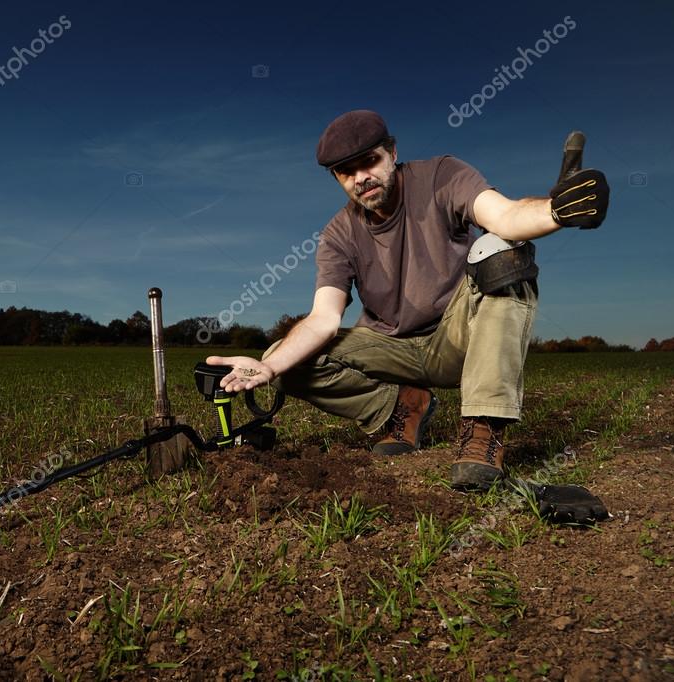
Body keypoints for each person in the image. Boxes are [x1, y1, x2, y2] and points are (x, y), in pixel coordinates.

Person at [207, 109, 609, 490]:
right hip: (394, 351)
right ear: (336, 178)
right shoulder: (337, 236)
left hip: (461, 337)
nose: (361, 177)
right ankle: (401, 407)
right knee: (288, 355)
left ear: (393, 153)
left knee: (504, 253)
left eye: (370, 161)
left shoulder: (441, 176)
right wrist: (268, 365)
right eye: (346, 172)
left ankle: (483, 430)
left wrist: (554, 211)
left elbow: (504, 217)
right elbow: (322, 319)